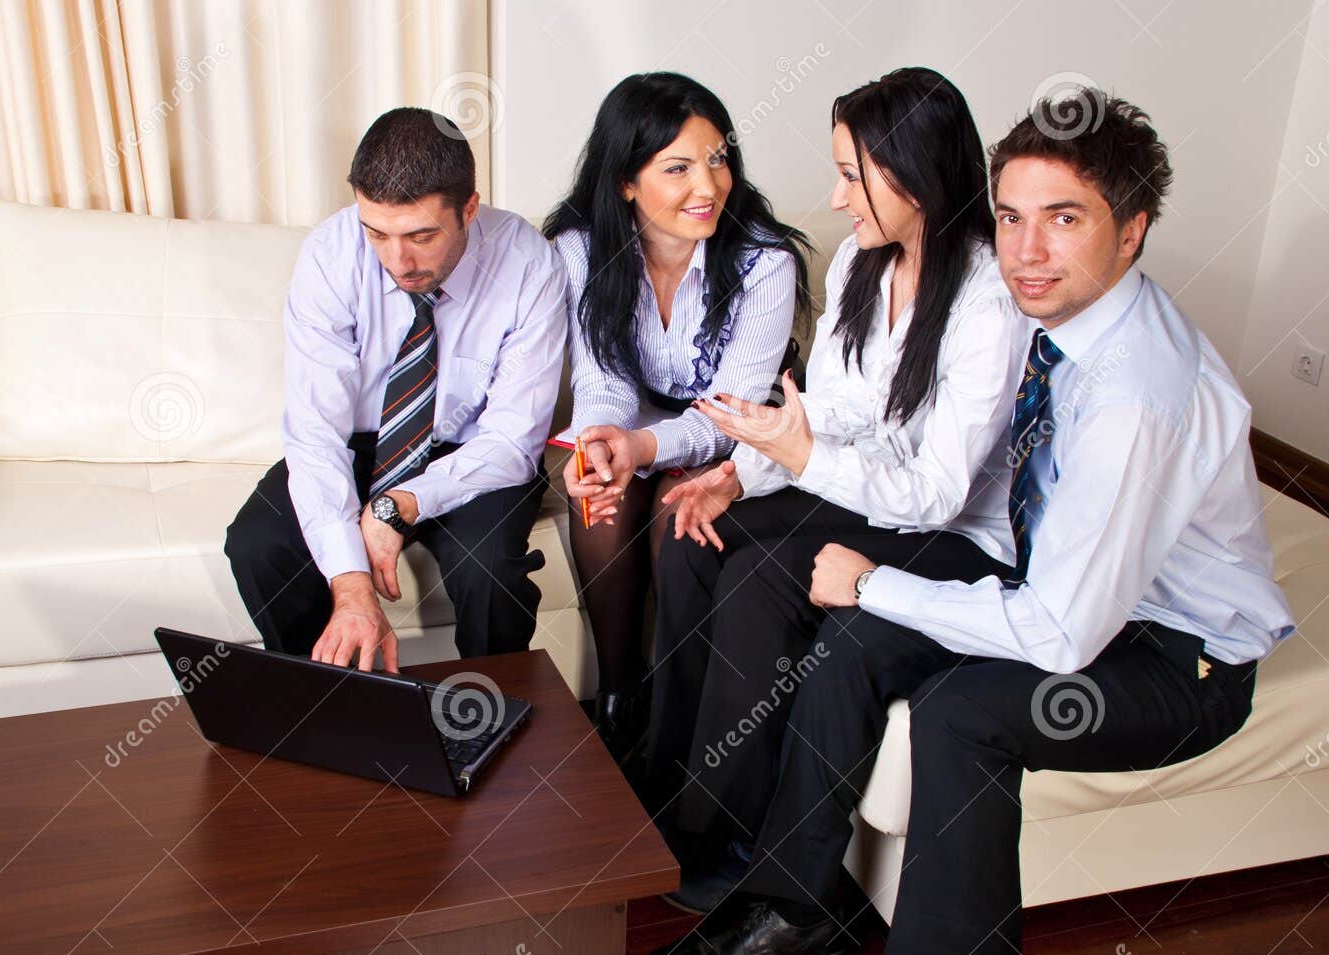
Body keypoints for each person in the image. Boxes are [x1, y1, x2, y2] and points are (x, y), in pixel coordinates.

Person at [647, 90, 1296, 955]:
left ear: (1133, 231)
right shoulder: (1073, 324)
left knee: (958, 711)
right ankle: (795, 902)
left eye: (1064, 219)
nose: (1028, 250)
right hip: (1073, 590)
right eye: (1011, 217)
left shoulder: (1134, 397)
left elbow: (1058, 636)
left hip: (1178, 662)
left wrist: (873, 583)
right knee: (852, 643)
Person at [640, 68, 1028, 911]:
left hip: (952, 527)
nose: (838, 196)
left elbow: (933, 491)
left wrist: (800, 458)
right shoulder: (862, 262)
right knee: (689, 532)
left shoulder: (989, 302)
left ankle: (719, 834)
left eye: (853, 175)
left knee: (760, 576)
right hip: (861, 487)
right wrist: (734, 476)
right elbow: (832, 421)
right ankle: (659, 781)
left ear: (915, 173)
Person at [225, 108, 567, 671]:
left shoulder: (529, 262)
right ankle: (323, 709)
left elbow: (511, 441)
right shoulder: (330, 254)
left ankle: (488, 719)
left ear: (470, 209)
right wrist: (351, 584)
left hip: (474, 454)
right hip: (363, 444)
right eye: (377, 234)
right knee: (259, 545)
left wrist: (398, 505)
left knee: (491, 574)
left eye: (421, 235)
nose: (397, 261)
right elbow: (315, 431)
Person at [544, 72, 813, 756]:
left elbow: (730, 411)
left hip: (734, 430)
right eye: (679, 167)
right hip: (630, 415)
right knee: (598, 490)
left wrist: (642, 447)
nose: (709, 185)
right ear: (626, 182)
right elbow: (601, 381)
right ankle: (616, 692)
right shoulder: (579, 250)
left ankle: (673, 718)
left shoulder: (763, 261)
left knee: (675, 508)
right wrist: (609, 443)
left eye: (718, 159)